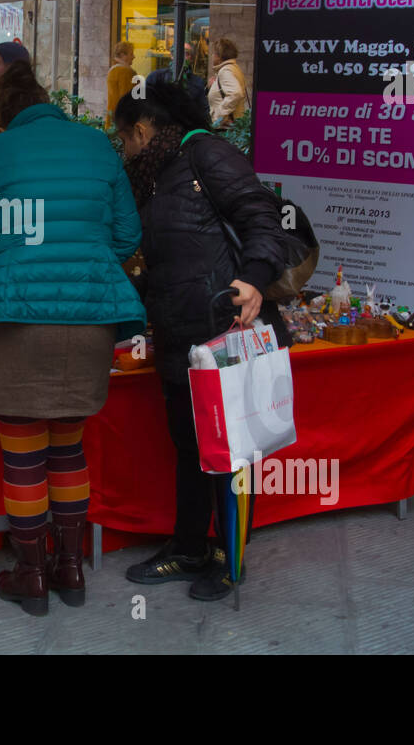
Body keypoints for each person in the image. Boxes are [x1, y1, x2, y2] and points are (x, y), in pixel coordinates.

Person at [0, 59, 146, 616]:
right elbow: (127, 236)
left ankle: (30, 572)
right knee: (67, 445)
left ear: (4, 117)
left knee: (21, 454)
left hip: (18, 318)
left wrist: (17, 267)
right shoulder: (97, 146)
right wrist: (81, 268)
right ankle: (70, 567)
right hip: (91, 320)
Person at [114, 79, 291, 601]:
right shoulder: (154, 173)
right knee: (189, 448)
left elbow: (264, 218)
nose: (123, 148)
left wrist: (255, 277)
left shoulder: (207, 154)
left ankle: (229, 561)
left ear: (144, 130)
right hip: (177, 335)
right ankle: (189, 547)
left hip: (225, 332)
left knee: (230, 451)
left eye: (124, 137)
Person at [207, 37, 249, 127]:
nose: (212, 56)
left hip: (226, 128)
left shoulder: (226, 71)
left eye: (213, 53)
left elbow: (235, 93)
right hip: (231, 126)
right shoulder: (233, 68)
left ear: (219, 56)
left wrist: (219, 116)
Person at [106, 41, 137, 128]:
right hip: (123, 121)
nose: (134, 57)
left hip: (114, 118)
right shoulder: (124, 72)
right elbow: (127, 99)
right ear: (123, 55)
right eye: (131, 54)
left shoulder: (114, 69)